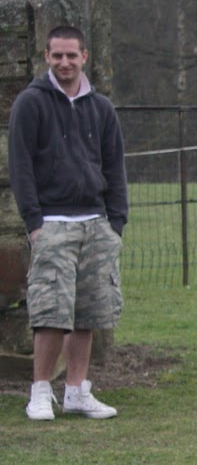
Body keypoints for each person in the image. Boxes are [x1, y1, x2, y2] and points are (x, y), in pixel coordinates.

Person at [8, 25, 127, 421]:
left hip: (96, 223)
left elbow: (114, 166)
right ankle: (40, 393)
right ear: (46, 57)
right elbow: (21, 167)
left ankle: (77, 391)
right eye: (57, 55)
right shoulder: (30, 103)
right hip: (52, 223)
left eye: (71, 55)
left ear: (84, 57)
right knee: (51, 312)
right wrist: (35, 223)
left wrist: (115, 223)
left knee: (87, 312)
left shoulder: (102, 108)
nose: (64, 62)